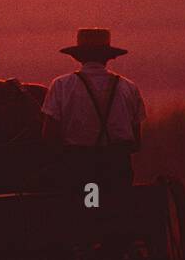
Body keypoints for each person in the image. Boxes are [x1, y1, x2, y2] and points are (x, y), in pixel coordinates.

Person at [42, 27, 145, 196]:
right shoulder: (129, 88)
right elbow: (136, 142)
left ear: (78, 56)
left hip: (76, 169)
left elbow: (49, 137)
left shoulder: (61, 85)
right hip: (117, 171)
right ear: (109, 56)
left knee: (80, 215)